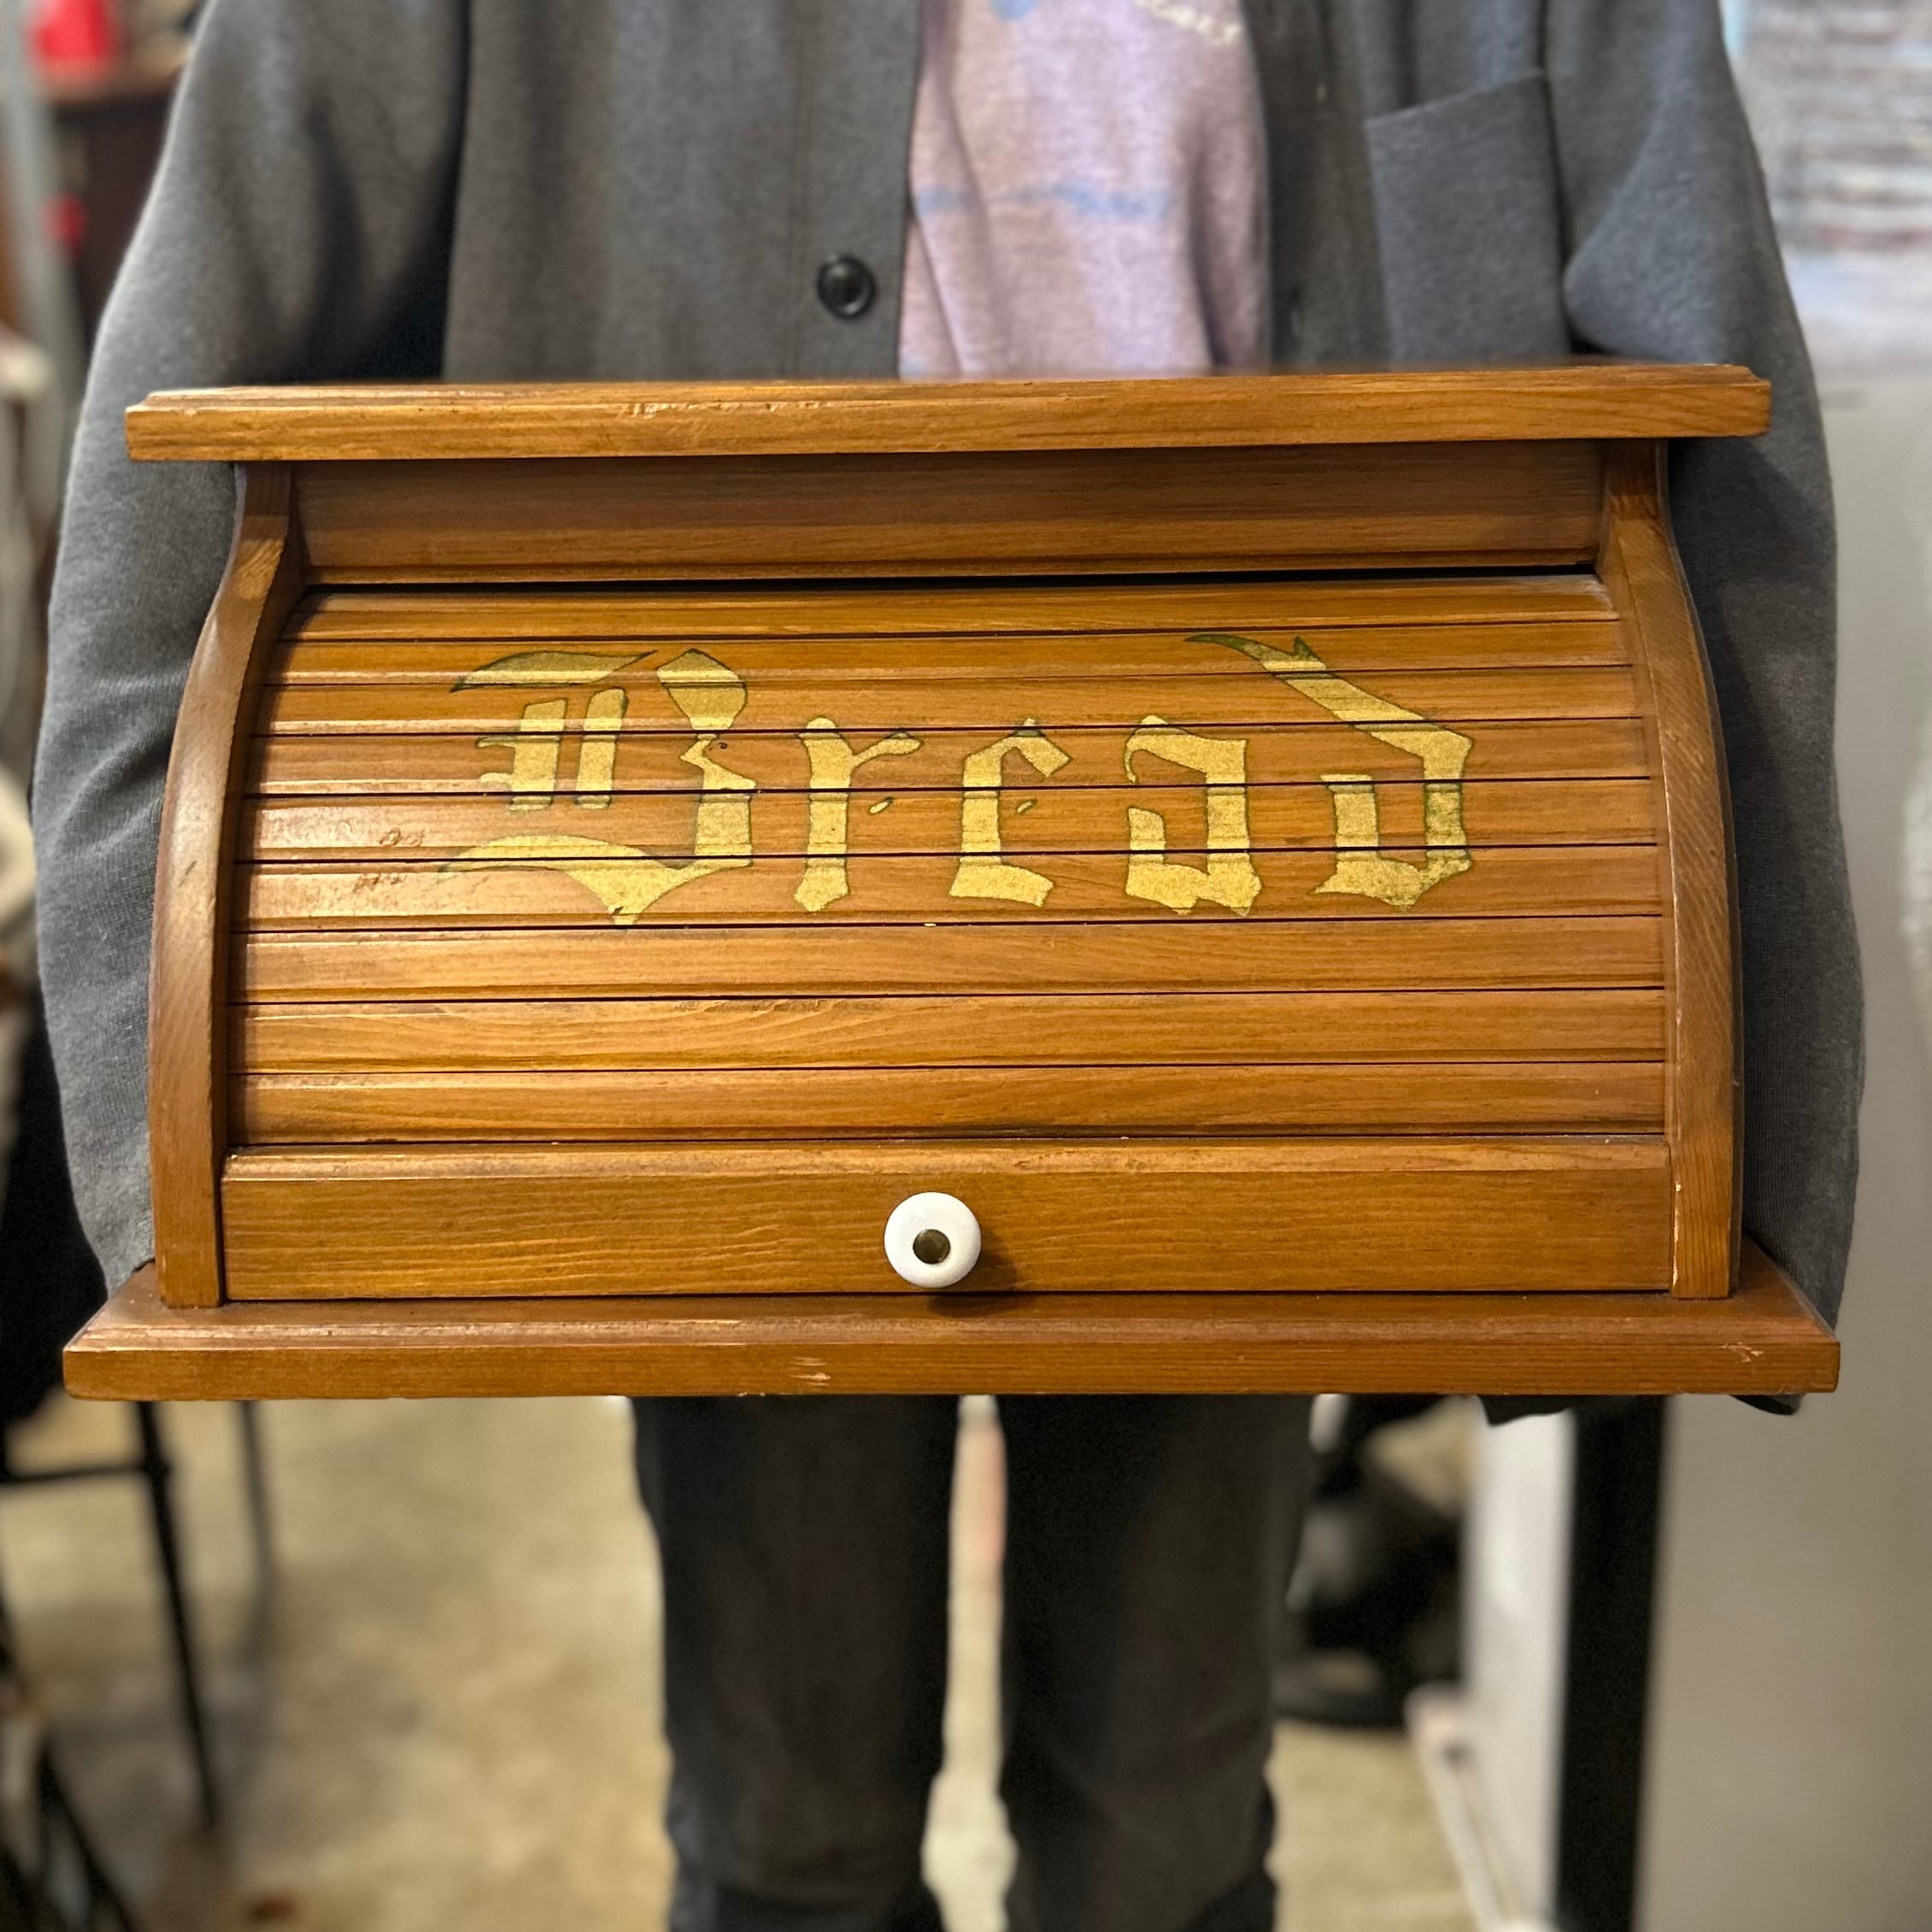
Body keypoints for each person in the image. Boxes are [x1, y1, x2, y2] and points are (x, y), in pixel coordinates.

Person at [32, 3, 1858, 1928]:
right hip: (723, 962)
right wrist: (156, 1098)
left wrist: (1755, 1121)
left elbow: (1714, 416)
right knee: (787, 1838)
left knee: (1161, 1840)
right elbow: (188, 405)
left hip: (1270, 952)